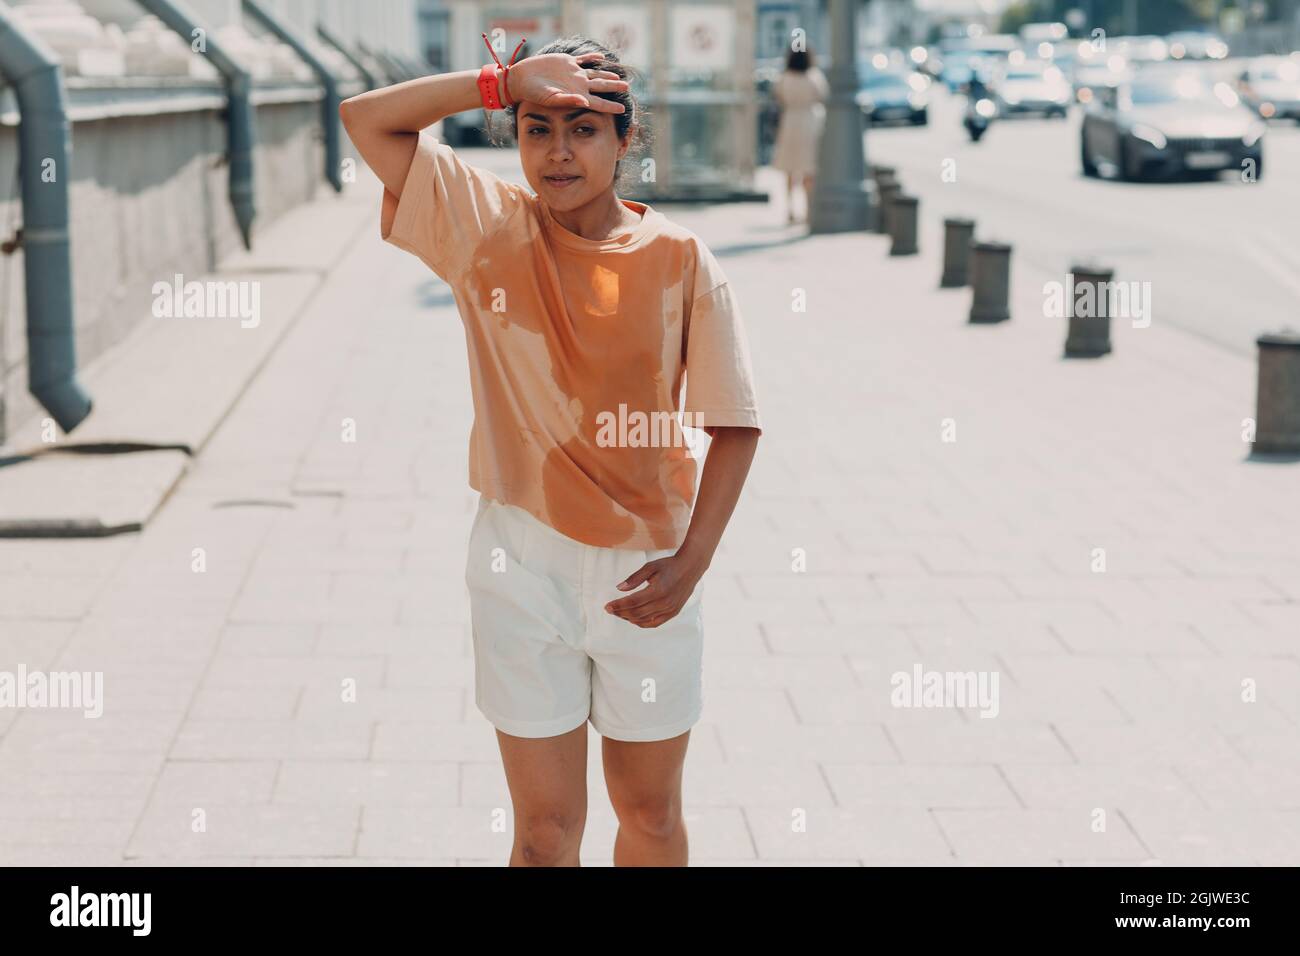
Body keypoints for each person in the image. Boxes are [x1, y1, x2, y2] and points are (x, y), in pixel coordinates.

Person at [339, 35, 762, 867]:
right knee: (543, 835)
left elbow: (734, 424)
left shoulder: (680, 260)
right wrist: (495, 81)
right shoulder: (483, 228)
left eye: (584, 128)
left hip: (648, 575)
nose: (559, 152)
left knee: (650, 817)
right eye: (537, 129)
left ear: (623, 139)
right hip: (519, 567)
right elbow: (365, 121)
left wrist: (694, 562)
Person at [770, 45, 828, 224]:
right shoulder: (813, 76)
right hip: (810, 122)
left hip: (790, 122)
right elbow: (823, 95)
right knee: (809, 169)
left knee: (789, 170)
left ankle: (789, 209)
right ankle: (809, 211)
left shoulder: (784, 77)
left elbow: (777, 96)